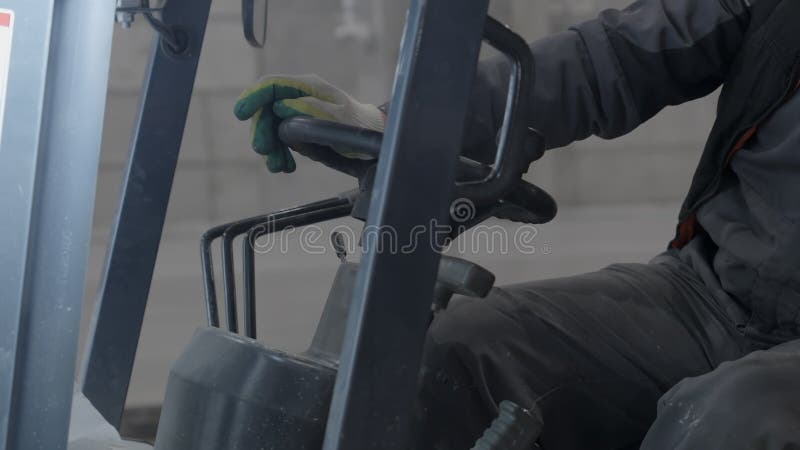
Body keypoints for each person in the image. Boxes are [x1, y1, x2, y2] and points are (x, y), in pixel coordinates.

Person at [234, 0, 800, 448]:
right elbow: (616, 57)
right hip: (714, 290)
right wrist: (400, 122)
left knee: (734, 419)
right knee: (454, 352)